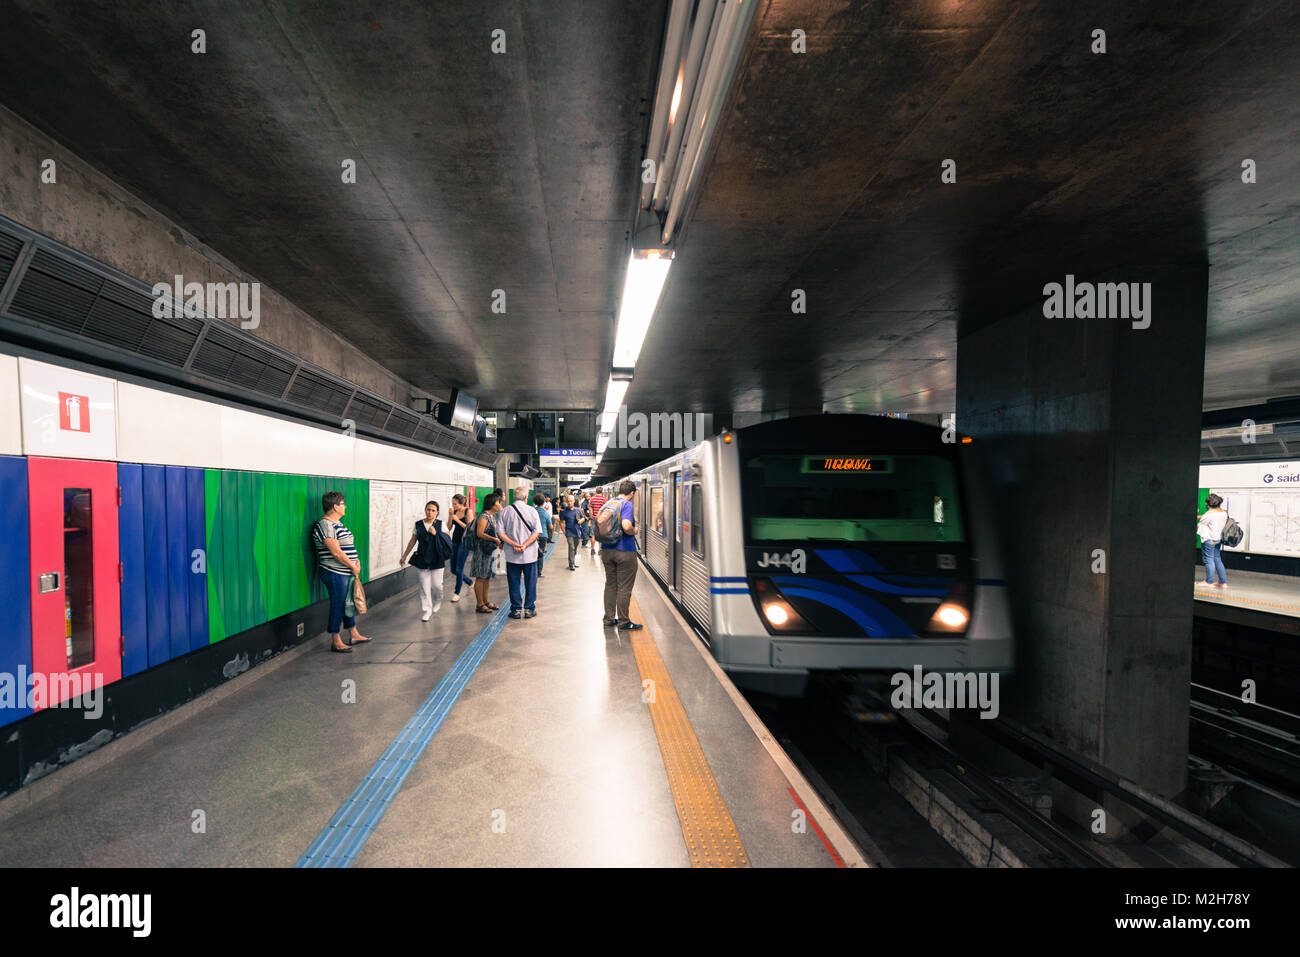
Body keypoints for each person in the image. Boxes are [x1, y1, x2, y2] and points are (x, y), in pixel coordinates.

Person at [312, 491, 371, 653]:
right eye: (343, 504)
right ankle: (335, 640)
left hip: (345, 571)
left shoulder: (337, 523)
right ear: (335, 506)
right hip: (334, 572)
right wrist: (353, 566)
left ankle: (353, 633)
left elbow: (346, 548)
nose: (345, 507)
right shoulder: (326, 524)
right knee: (338, 605)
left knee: (347, 603)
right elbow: (335, 552)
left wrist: (354, 562)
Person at [601, 480, 641, 630]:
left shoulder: (608, 503)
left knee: (610, 585)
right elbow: (626, 526)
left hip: (607, 550)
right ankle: (624, 621)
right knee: (624, 587)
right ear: (631, 493)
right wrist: (634, 530)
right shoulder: (626, 504)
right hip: (624, 551)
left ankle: (609, 618)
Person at [496, 485, 541, 619]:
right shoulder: (532, 511)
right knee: (531, 582)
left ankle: (515, 609)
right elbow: (537, 531)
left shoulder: (505, 511)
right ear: (526, 497)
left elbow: (500, 533)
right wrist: (525, 545)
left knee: (514, 582)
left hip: (512, 555)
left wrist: (513, 544)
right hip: (530, 555)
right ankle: (529, 609)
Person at [400, 500, 447, 621]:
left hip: (437, 558)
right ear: (425, 510)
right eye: (428, 509)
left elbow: (447, 540)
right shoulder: (418, 524)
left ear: (437, 512)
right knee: (424, 586)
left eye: (433, 510)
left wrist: (436, 533)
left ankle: (438, 600)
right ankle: (427, 610)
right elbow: (413, 541)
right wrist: (405, 555)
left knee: (437, 586)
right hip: (422, 558)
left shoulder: (441, 524)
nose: (430, 512)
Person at [471, 494, 504, 613]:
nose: (499, 505)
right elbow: (480, 533)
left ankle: (485, 601)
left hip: (489, 551)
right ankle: (479, 604)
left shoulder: (492, 516)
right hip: (482, 551)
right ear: (492, 503)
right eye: (498, 502)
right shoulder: (484, 516)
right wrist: (494, 540)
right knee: (480, 577)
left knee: (487, 577)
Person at [447, 493, 476, 603]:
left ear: (461, 503)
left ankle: (457, 593)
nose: (453, 506)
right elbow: (448, 527)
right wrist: (451, 516)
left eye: (455, 504)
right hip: (455, 541)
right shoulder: (454, 512)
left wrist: (457, 520)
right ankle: (469, 582)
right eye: (452, 503)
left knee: (459, 568)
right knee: (453, 569)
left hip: (465, 542)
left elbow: (470, 528)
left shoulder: (468, 511)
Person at [1197, 493, 1229, 587]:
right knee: (1217, 559)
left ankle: (1209, 581)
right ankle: (1222, 582)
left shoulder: (1209, 514)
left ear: (1210, 504)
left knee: (1209, 560)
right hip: (1218, 539)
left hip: (1209, 539)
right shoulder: (1224, 513)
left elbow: (1202, 522)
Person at [560, 496, 583, 570]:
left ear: (573, 501)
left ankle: (573, 561)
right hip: (569, 532)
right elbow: (561, 523)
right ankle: (571, 564)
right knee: (571, 547)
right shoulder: (564, 512)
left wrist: (581, 521)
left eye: (571, 501)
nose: (569, 502)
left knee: (575, 548)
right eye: (568, 501)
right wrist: (564, 532)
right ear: (566, 502)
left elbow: (583, 518)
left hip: (577, 532)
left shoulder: (578, 510)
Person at [533, 492, 552, 577]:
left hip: (533, 536)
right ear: (543, 502)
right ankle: (539, 572)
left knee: (532, 554)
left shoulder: (532, 511)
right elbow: (551, 526)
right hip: (543, 535)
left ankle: (532, 571)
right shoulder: (545, 513)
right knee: (540, 554)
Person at [588, 489, 608, 559]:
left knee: (593, 534)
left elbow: (590, 509)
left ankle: (592, 549)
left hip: (594, 519)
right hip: (601, 519)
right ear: (602, 491)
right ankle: (600, 550)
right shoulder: (604, 499)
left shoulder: (592, 499)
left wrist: (591, 517)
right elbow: (606, 510)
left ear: (596, 491)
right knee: (600, 534)